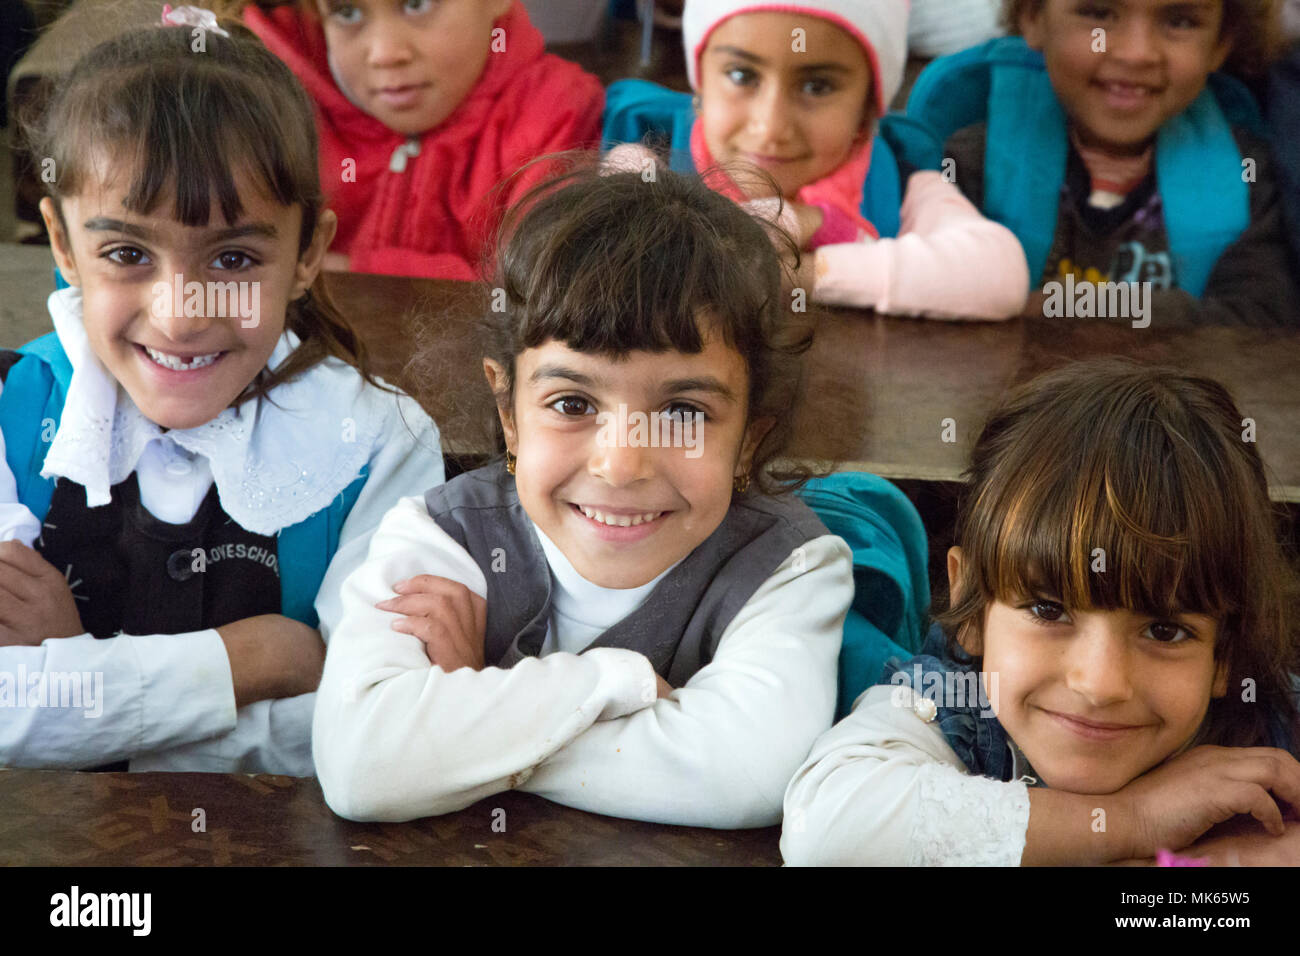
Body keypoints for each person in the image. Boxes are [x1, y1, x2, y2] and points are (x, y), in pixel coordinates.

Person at [312, 164, 866, 825]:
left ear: (749, 439)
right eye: (572, 402)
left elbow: (746, 775)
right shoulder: (441, 538)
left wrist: (471, 714)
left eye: (684, 412)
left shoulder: (790, 565)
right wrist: (617, 685)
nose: (621, 463)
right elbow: (363, 766)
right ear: (510, 413)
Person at [0, 15, 444, 775]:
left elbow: (370, 733)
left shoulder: (376, 442)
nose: (181, 314)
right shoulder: (10, 405)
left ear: (307, 252)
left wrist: (75, 679)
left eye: (234, 256)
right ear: (64, 245)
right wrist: (252, 662)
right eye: (127, 253)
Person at [782, 359, 1300, 865]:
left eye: (1164, 631)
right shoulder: (949, 707)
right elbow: (824, 825)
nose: (1099, 684)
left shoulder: (1272, 726)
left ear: (1226, 653)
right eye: (1049, 611)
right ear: (973, 606)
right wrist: (1130, 820)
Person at [602, 0, 1030, 319]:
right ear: (700, 83)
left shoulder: (893, 177)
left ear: (868, 105)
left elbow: (1000, 276)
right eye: (741, 76)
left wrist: (800, 256)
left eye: (817, 87)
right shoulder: (648, 157)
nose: (771, 127)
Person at [913, 0, 1298, 325]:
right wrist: (1174, 311)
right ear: (1032, 16)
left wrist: (1038, 307)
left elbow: (1258, 317)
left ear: (1221, 43)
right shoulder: (967, 162)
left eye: (1179, 21)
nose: (1136, 52)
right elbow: (931, 294)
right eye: (1099, 13)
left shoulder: (1246, 173)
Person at [242, 0, 604, 279]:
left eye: (417, 3)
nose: (385, 54)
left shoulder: (559, 112)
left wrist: (350, 271)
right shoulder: (272, 100)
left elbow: (532, 292)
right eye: (346, 11)